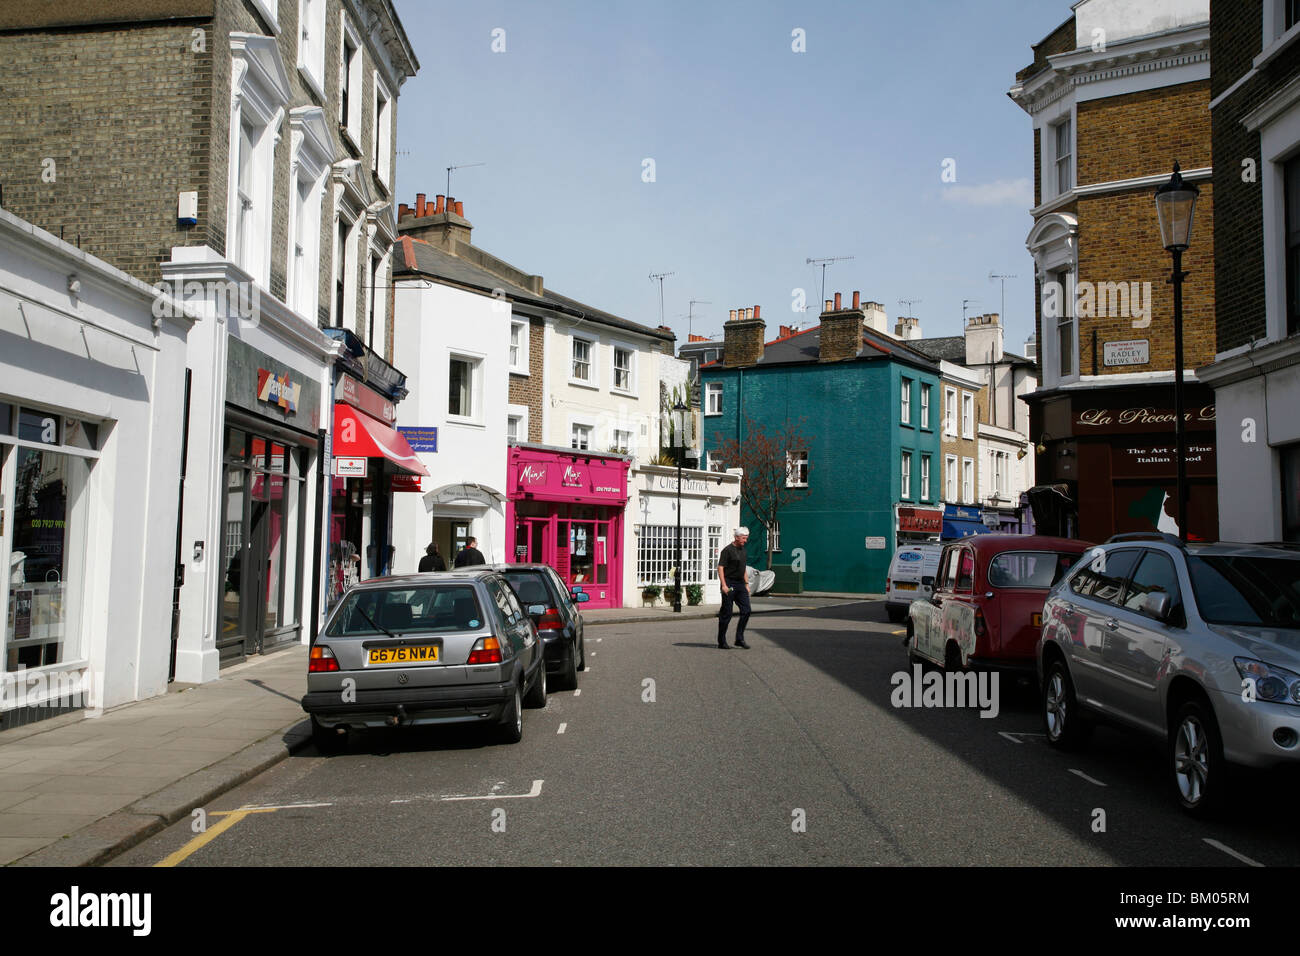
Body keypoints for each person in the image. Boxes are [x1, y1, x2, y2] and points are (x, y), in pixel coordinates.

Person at [716, 527, 751, 649]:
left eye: (746, 538)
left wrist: (747, 584)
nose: (745, 540)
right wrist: (724, 585)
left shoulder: (743, 551)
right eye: (743, 538)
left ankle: (739, 639)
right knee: (727, 613)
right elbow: (720, 568)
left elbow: (743, 568)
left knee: (746, 610)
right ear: (736, 537)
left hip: (740, 583)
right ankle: (721, 641)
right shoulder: (727, 550)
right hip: (729, 583)